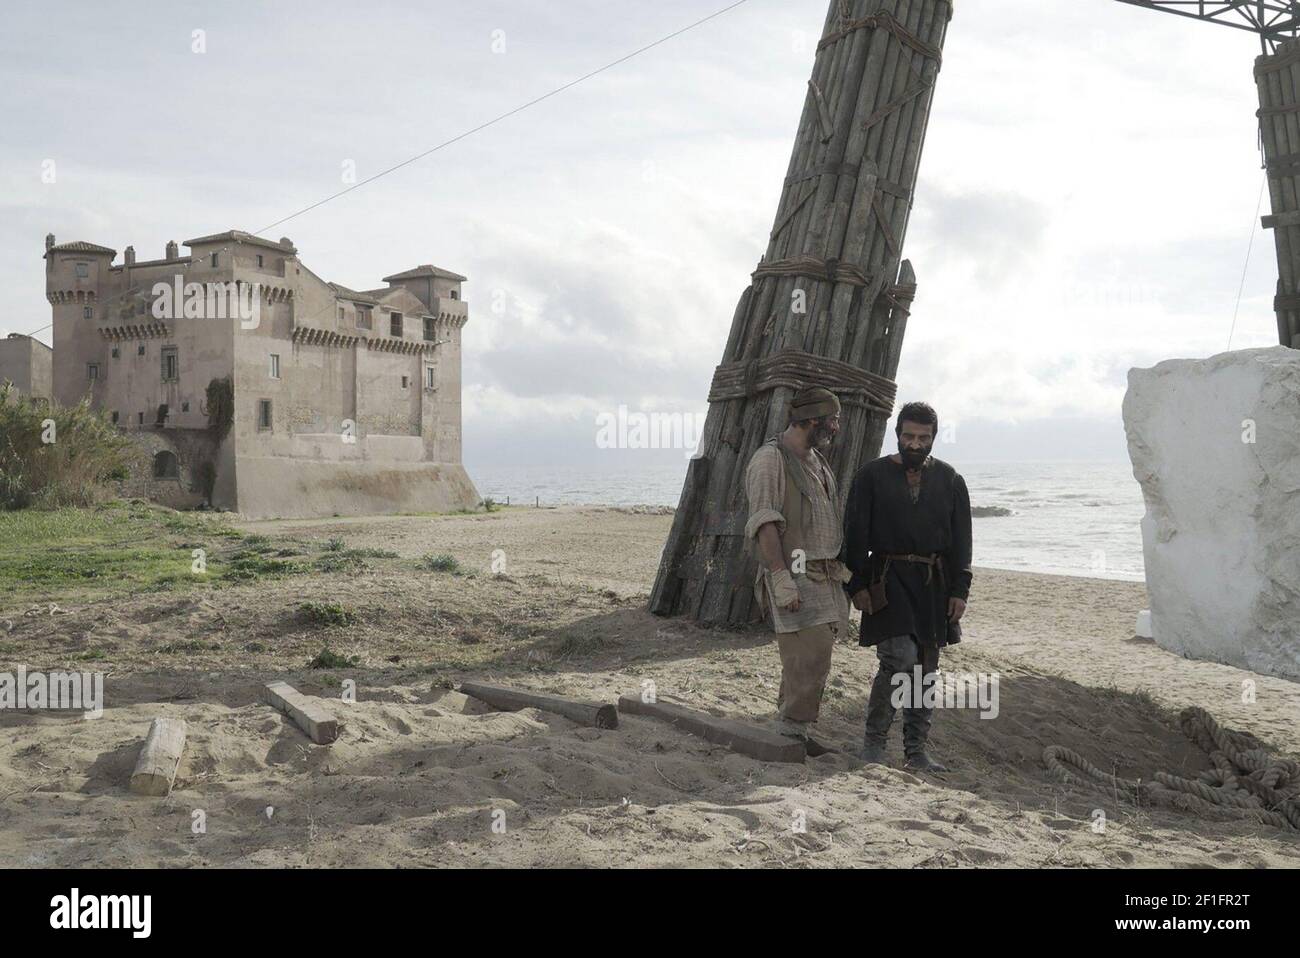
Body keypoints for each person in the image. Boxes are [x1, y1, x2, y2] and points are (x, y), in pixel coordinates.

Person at [841, 401, 972, 772]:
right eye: (908, 436)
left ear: (933, 438)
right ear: (897, 434)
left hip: (934, 583)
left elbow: (962, 542)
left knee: (925, 667)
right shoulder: (871, 476)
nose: (915, 444)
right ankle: (874, 743)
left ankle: (916, 751)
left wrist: (960, 590)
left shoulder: (950, 480)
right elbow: (855, 536)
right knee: (898, 658)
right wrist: (858, 585)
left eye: (923, 438)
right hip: (888, 577)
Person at [743, 386, 851, 751]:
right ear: (811, 419)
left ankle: (794, 729)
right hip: (793, 572)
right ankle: (791, 733)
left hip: (822, 573)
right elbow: (764, 521)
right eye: (832, 420)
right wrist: (779, 576)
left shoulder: (815, 459)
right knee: (810, 650)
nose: (836, 427)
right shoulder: (770, 459)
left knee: (810, 654)